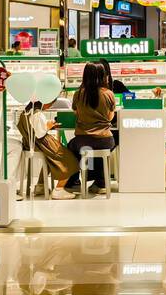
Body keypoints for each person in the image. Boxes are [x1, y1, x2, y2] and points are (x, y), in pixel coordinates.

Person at [65, 62, 117, 193]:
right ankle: (101, 183)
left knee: (71, 148)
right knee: (100, 149)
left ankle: (74, 182)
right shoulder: (109, 94)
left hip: (83, 141)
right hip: (105, 140)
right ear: (103, 76)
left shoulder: (78, 94)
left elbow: (77, 113)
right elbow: (110, 117)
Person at [22, 93, 78, 200]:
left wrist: (47, 125)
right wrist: (48, 126)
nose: (50, 107)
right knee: (70, 159)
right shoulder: (38, 114)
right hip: (42, 144)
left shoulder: (27, 112)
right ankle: (59, 189)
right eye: (50, 104)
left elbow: (35, 128)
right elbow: (40, 134)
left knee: (50, 160)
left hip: (32, 143)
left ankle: (41, 185)